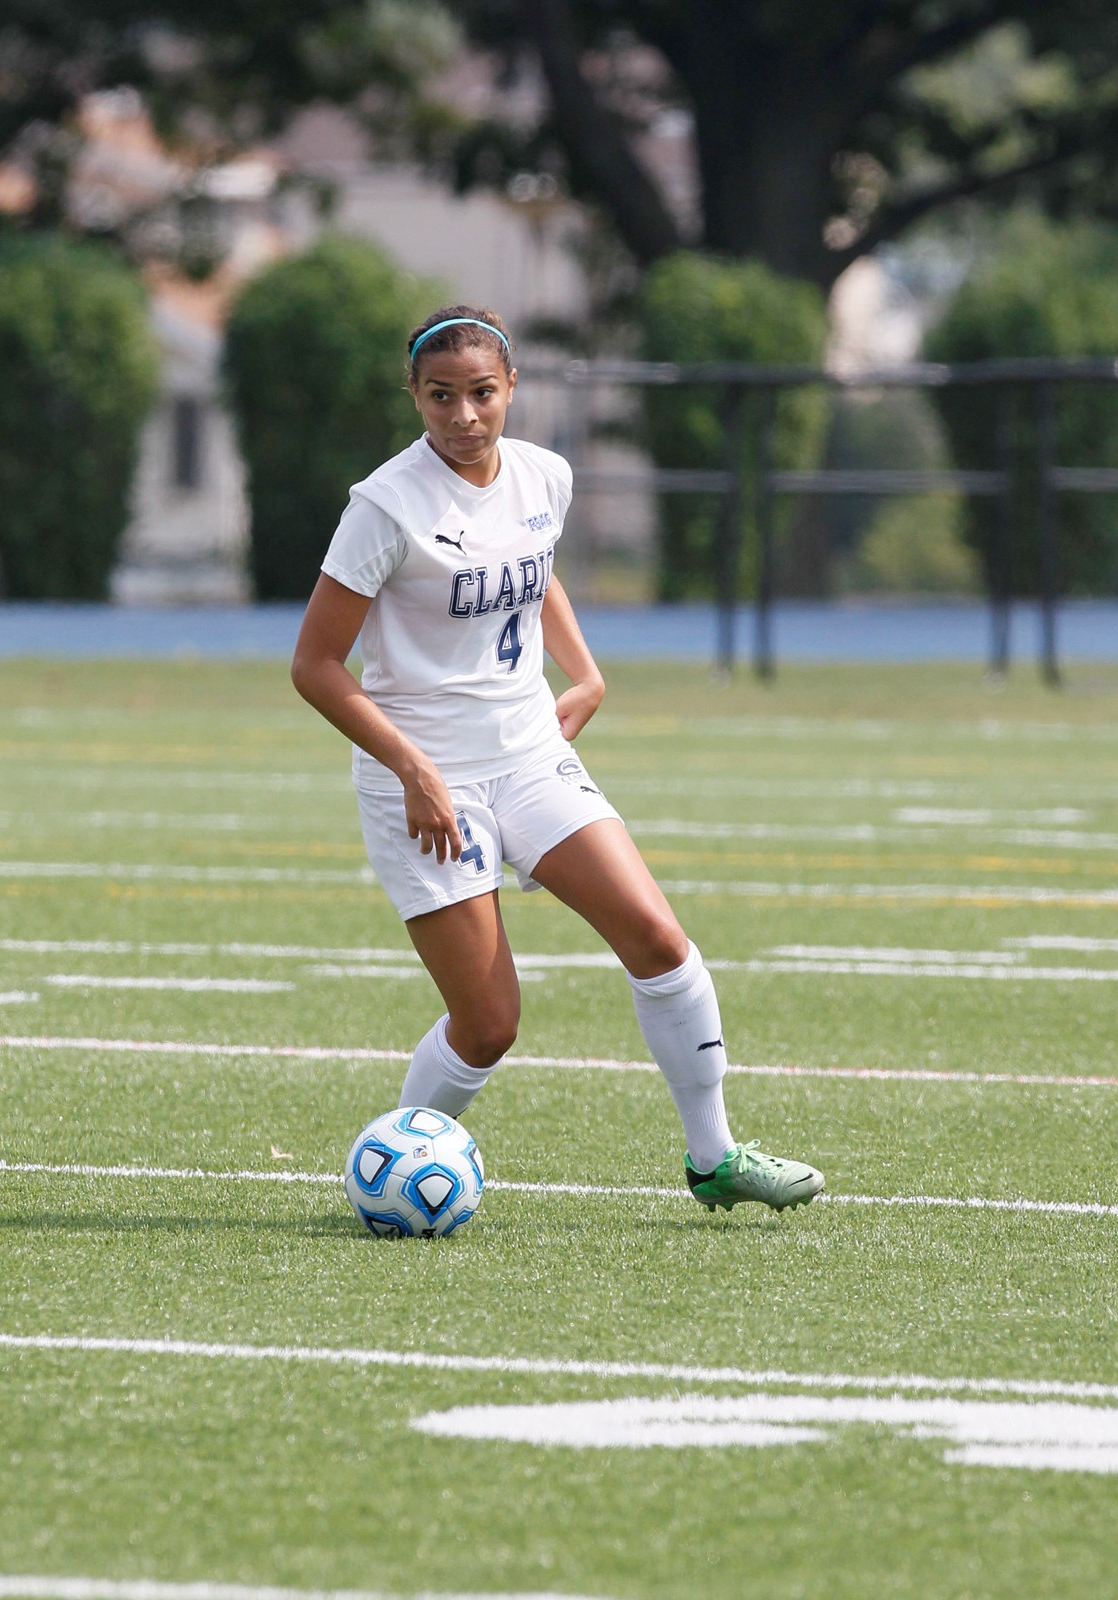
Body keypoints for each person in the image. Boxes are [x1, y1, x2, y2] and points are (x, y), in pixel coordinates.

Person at [290, 305, 823, 1213]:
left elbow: (532, 572)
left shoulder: (545, 475)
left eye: (481, 393)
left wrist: (585, 672)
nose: (463, 415)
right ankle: (389, 1174)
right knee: (489, 1024)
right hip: (425, 779)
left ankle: (714, 1158)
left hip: (530, 752)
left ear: (511, 387)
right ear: (414, 395)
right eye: (440, 396)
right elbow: (314, 666)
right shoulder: (383, 507)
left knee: (658, 941)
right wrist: (413, 770)